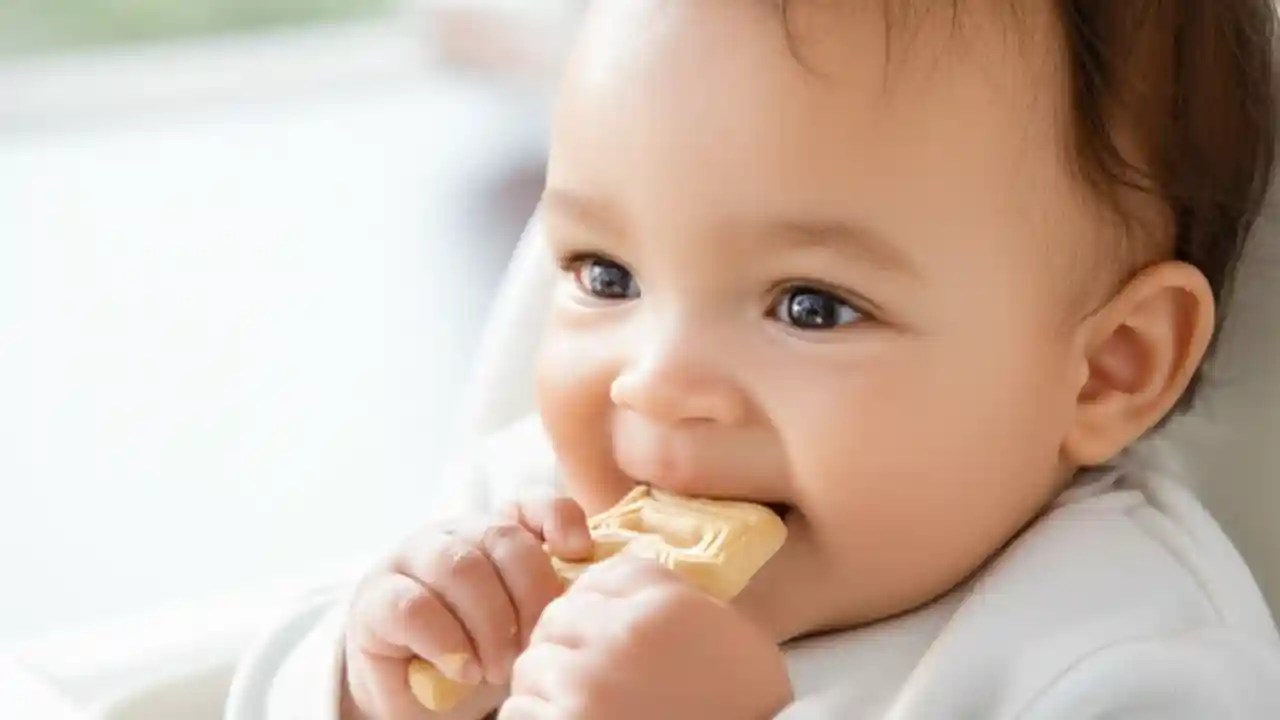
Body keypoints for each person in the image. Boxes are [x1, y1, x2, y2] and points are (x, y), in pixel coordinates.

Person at [228, 1, 1280, 717]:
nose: (654, 383)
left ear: (1107, 369)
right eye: (605, 276)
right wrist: (375, 676)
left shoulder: (1126, 656)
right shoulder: (527, 512)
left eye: (810, 306)